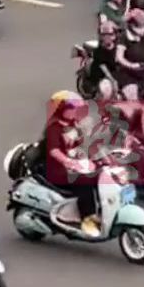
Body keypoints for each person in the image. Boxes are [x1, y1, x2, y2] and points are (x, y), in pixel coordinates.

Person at [43, 92, 102, 236]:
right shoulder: (54, 128)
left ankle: (101, 209)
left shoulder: (73, 126)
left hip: (75, 164)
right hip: (57, 169)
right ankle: (87, 218)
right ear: (63, 110)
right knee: (84, 181)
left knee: (102, 174)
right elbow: (54, 151)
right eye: (72, 109)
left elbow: (82, 146)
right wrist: (69, 162)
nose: (76, 112)